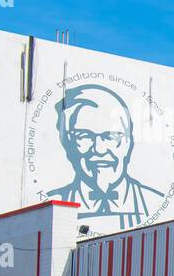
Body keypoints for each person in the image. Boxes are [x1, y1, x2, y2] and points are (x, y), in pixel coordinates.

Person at [49, 84, 163, 229]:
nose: (99, 149)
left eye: (110, 136)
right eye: (85, 136)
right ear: (68, 144)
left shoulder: (152, 200)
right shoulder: (50, 208)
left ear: (128, 143)